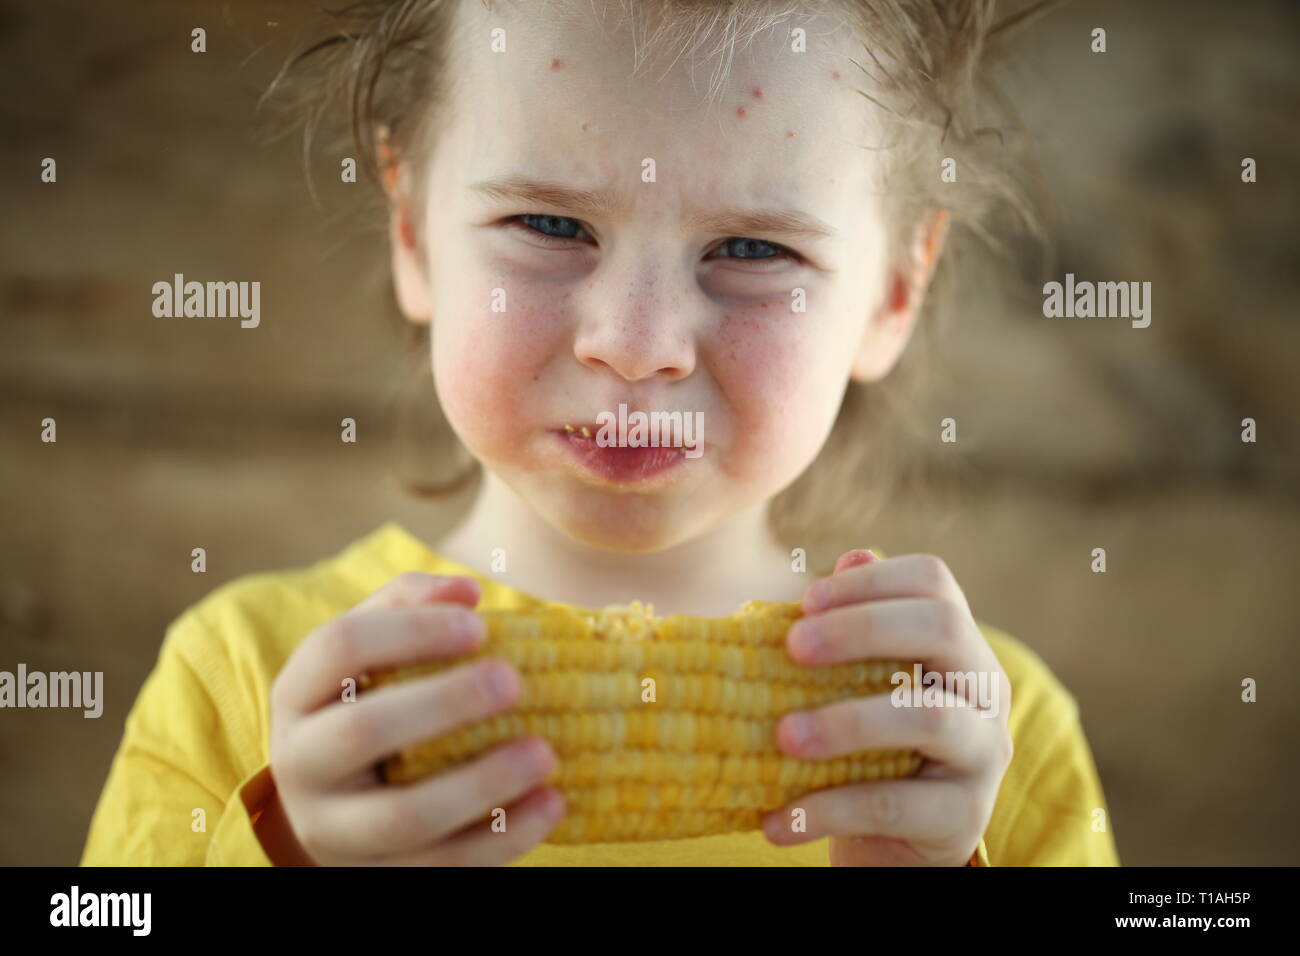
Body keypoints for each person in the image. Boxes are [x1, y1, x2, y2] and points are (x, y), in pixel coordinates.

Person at [82, 0, 1119, 866]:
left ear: (894, 289)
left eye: (752, 247)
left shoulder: (983, 736)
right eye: (549, 226)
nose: (636, 343)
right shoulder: (238, 680)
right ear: (411, 230)